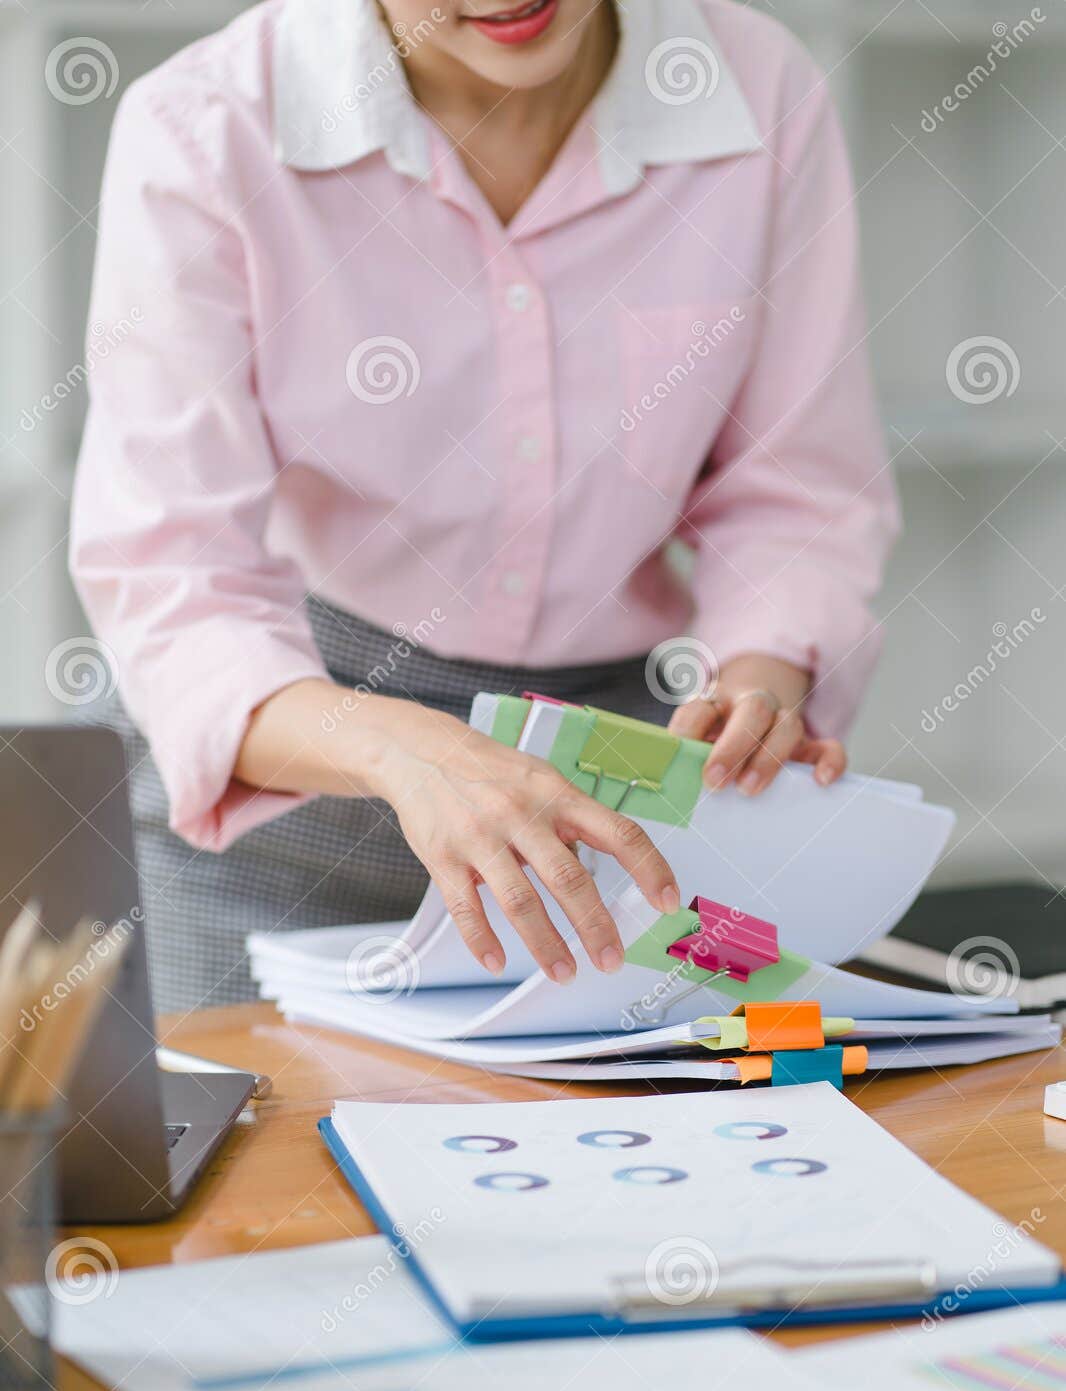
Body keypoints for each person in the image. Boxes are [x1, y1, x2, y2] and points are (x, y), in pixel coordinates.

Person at [70, 0, 899, 1013]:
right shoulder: (208, 127)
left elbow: (794, 489)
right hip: (299, 784)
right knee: (270, 1164)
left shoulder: (757, 90)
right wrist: (398, 750)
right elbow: (174, 577)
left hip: (621, 800)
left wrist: (759, 677)